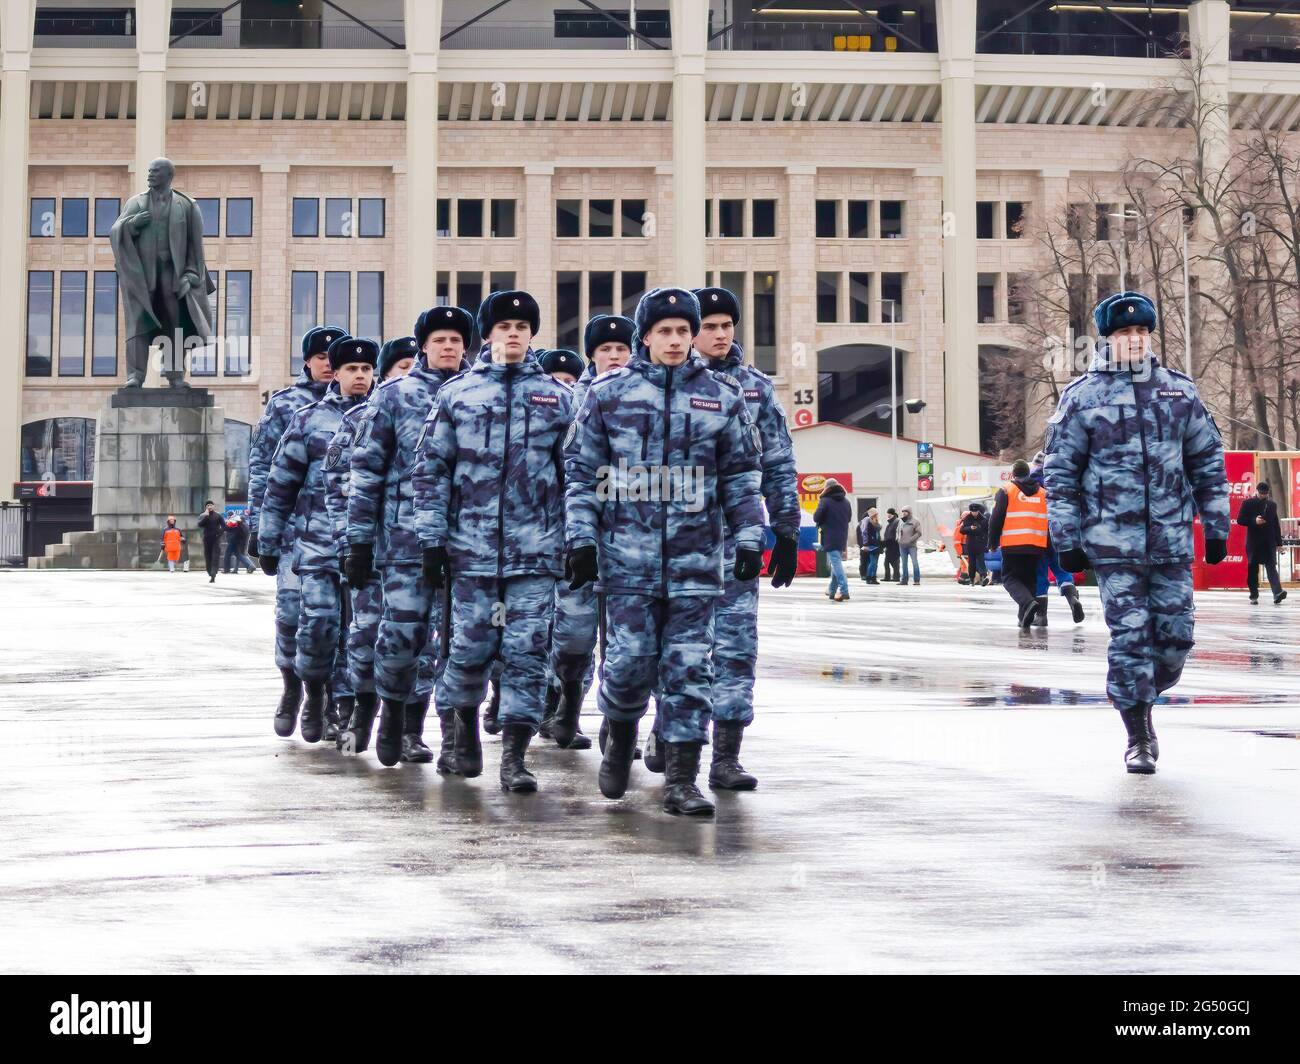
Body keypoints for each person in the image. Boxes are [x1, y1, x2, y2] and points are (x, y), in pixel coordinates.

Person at [565, 287, 764, 816]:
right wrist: (581, 539)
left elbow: (743, 475)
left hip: (696, 564)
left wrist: (750, 536)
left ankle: (682, 778)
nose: (676, 341)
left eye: (684, 331)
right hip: (626, 562)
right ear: (646, 336)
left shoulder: (721, 397)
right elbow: (581, 474)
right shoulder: (609, 395)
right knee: (628, 665)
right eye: (666, 332)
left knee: (688, 670)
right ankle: (621, 737)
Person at [1045, 291, 1229, 774]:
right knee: (1130, 637)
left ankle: (1144, 689)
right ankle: (1139, 732)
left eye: (1142, 332)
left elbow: (1207, 463)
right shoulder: (1083, 397)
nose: (1135, 340)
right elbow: (1060, 475)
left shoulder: (1178, 392)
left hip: (1169, 541)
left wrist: (1216, 526)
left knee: (1175, 639)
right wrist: (1067, 541)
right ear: (1107, 339)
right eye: (1126, 333)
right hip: (1112, 544)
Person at [415, 290, 572, 794]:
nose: (513, 334)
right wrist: (432, 539)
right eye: (503, 326)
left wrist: (576, 539)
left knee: (528, 651)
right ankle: (461, 733)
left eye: (522, 327)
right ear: (488, 335)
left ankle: (517, 757)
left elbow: (578, 475)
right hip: (471, 552)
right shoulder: (457, 394)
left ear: (532, 335)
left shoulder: (558, 397)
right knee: (469, 648)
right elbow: (432, 470)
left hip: (536, 552)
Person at [348, 309, 473, 771]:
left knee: (461, 645)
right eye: (439, 339)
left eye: (456, 340)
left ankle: (451, 737)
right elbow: (366, 472)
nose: (448, 347)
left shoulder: (475, 395)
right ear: (423, 345)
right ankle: (394, 717)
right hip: (403, 544)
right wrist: (358, 541)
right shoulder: (394, 397)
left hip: (467, 544)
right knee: (403, 640)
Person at [687, 285, 799, 790]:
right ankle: (670, 734)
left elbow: (777, 462)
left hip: (739, 538)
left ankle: (726, 754)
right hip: (674, 538)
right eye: (708, 326)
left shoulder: (755, 388)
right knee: (678, 646)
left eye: (725, 326)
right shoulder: (665, 385)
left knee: (735, 644)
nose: (718, 335)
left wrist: (787, 529)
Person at [258, 336, 376, 748]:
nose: (346, 370)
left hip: (368, 545)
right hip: (310, 538)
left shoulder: (384, 413)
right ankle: (301, 688)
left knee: (358, 631)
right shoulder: (300, 413)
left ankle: (339, 706)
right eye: (326, 359)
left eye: (364, 367)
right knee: (310, 622)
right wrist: (265, 538)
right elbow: (273, 479)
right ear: (309, 363)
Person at [544, 314, 635, 752]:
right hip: (574, 535)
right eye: (605, 351)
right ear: (591, 357)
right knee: (575, 635)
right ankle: (566, 707)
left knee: (625, 638)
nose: (614, 358)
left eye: (621, 350)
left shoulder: (641, 400)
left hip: (627, 538)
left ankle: (616, 723)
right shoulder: (567, 403)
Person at [247, 325, 342, 740]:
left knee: (336, 622)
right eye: (320, 358)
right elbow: (263, 468)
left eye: (332, 359)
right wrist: (259, 527)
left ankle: (329, 699)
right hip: (291, 534)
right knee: (290, 617)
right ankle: (291, 689)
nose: (327, 365)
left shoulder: (363, 404)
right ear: (307, 362)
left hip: (339, 534)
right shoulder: (287, 405)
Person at [988, 460, 1050, 628]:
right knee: (1029, 580)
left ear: (1013, 474)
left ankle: (1029, 603)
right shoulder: (1043, 493)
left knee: (1009, 578)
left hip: (1013, 544)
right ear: (1028, 473)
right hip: (1036, 545)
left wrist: (992, 542)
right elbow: (1049, 520)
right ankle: (1024, 618)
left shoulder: (1006, 490)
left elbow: (996, 518)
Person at [1029, 451, 1085, 625]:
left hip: (1038, 534)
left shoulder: (1030, 485)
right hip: (1058, 531)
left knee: (1040, 574)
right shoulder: (1059, 480)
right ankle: (1072, 598)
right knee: (1062, 569)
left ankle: (1041, 615)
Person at [1237, 482, 1287, 605]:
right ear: (1257, 491)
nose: (1263, 496)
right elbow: (1240, 520)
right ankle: (1253, 595)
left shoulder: (1272, 505)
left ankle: (1277, 593)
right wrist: (1254, 521)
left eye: (1265, 494)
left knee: (1271, 567)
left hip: (1268, 541)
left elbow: (1275, 524)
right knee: (1253, 568)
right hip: (1254, 542)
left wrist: (1279, 543)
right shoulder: (1248, 503)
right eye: (1261, 493)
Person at [814, 478, 852, 601]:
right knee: (835, 563)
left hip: (830, 536)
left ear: (827, 488)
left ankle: (844, 590)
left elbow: (817, 517)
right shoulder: (846, 502)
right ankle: (832, 590)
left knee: (836, 563)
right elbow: (849, 518)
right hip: (842, 537)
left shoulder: (825, 501)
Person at [959, 502, 990, 586]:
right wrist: (970, 528)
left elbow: (987, 531)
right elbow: (962, 530)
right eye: (973, 511)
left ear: (978, 511)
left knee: (981, 561)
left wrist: (987, 544)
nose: (974, 513)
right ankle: (972, 578)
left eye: (976, 511)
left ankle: (983, 577)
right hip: (971, 544)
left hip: (980, 543)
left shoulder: (983, 519)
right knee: (972, 562)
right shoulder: (967, 519)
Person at [197, 500, 224, 582]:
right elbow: (200, 524)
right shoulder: (203, 515)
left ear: (213, 506)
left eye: (211, 505)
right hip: (207, 539)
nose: (210, 506)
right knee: (208, 556)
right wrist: (206, 516)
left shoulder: (218, 515)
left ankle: (213, 573)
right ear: (206, 507)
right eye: (208, 505)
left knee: (215, 556)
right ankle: (209, 571)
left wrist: (219, 533)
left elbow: (224, 526)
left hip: (216, 539)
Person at [895, 506, 923, 585]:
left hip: (911, 546)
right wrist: (898, 539)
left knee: (914, 562)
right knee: (904, 563)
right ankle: (904, 580)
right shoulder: (901, 521)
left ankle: (916, 580)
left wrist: (910, 539)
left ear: (909, 512)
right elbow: (897, 531)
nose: (904, 513)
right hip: (902, 546)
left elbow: (919, 533)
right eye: (903, 511)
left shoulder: (915, 521)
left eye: (906, 511)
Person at [858, 508, 881, 584]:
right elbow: (865, 533)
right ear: (873, 514)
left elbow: (878, 530)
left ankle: (872, 577)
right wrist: (866, 544)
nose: (877, 515)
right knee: (873, 562)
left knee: (874, 562)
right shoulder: (868, 521)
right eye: (876, 514)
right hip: (871, 544)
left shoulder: (875, 522)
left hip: (876, 543)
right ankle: (870, 577)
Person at [882, 507, 900, 581]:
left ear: (893, 514)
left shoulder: (896, 522)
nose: (888, 515)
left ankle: (895, 577)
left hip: (893, 544)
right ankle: (888, 577)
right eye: (888, 513)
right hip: (889, 544)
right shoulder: (891, 522)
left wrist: (890, 541)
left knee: (894, 562)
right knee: (887, 562)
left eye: (889, 514)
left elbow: (895, 534)